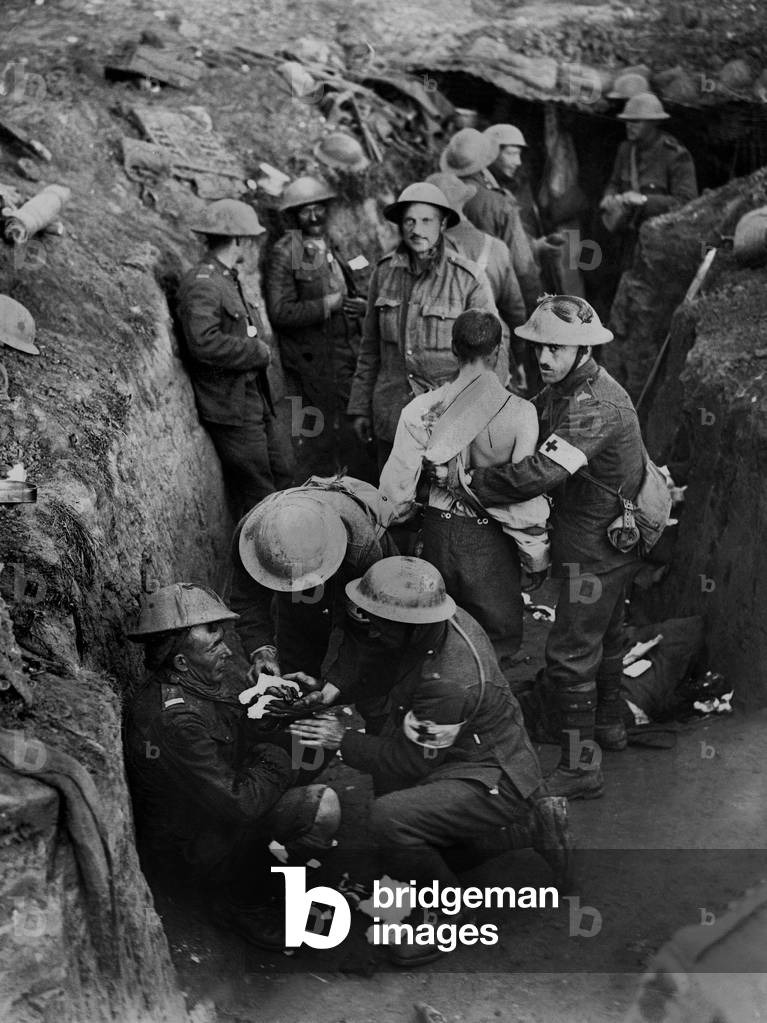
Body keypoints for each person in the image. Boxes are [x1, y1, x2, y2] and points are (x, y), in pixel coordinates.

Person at [288, 556, 572, 967]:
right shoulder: (425, 624)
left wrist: (340, 739)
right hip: (459, 748)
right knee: (408, 845)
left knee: (389, 818)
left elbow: (409, 763)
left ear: (409, 625)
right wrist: (330, 690)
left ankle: (453, 916)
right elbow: (382, 666)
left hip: (492, 772)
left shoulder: (449, 678)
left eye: (378, 620)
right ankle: (524, 829)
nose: (370, 626)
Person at [454, 295, 646, 800]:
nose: (544, 357)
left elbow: (542, 472)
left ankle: (582, 768)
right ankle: (608, 726)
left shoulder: (594, 406)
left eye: (557, 348)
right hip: (602, 538)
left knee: (569, 652)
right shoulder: (563, 389)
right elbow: (525, 413)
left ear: (583, 351)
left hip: (599, 548)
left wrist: (473, 481)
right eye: (539, 345)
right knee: (609, 633)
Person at [124, 583, 340, 949]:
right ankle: (241, 901)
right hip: (195, 852)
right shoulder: (175, 722)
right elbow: (242, 803)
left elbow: (235, 738)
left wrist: (279, 707)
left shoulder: (196, 682)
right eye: (214, 645)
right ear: (180, 662)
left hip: (214, 816)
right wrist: (283, 750)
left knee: (314, 745)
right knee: (323, 806)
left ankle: (263, 872)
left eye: (223, 639)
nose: (227, 651)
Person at [379, 309, 549, 672]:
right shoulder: (521, 413)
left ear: (453, 349)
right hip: (492, 545)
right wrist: (535, 554)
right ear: (497, 351)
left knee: (435, 637)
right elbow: (522, 495)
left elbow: (394, 498)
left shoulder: (420, 410)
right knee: (496, 645)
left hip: (438, 534)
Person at [346, 181, 497, 469]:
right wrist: (360, 408)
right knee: (391, 504)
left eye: (427, 221)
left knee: (444, 507)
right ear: (400, 227)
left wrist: (484, 417)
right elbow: (370, 349)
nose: (417, 229)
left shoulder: (468, 279)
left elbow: (491, 355)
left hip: (448, 419)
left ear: (442, 225)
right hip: (392, 416)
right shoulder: (383, 273)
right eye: (409, 221)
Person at [177, 199, 295, 517]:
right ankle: (264, 560)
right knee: (259, 493)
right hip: (231, 409)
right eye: (251, 239)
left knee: (284, 472)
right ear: (239, 240)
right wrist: (255, 352)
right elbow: (203, 343)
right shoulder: (204, 284)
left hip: (255, 398)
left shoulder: (226, 278)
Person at [228, 476, 397, 681]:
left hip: (357, 541)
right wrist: (261, 650)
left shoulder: (362, 546)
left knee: (379, 630)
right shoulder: (249, 535)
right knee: (304, 612)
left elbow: (366, 628)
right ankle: (297, 683)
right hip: (311, 549)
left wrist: (338, 684)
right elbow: (247, 599)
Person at [265, 176, 373, 481]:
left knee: (360, 421)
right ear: (292, 217)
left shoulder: (336, 241)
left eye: (318, 209)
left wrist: (361, 303)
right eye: (304, 211)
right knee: (331, 432)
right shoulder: (288, 252)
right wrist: (327, 304)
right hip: (317, 362)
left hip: (350, 350)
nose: (313, 217)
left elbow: (363, 277)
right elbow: (280, 311)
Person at [425, 171, 525, 384]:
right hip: (490, 360)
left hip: (443, 367)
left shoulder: (427, 254)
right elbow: (515, 312)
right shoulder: (497, 249)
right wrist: (518, 362)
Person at [439, 128, 542, 314]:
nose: (517, 161)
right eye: (511, 153)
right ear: (488, 158)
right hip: (490, 304)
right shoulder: (498, 204)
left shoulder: (437, 193)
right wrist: (537, 310)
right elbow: (523, 267)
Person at [599, 93, 698, 268]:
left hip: (662, 243)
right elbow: (614, 183)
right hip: (629, 240)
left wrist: (644, 200)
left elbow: (687, 202)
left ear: (654, 123)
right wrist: (609, 196)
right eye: (627, 121)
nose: (629, 126)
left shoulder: (674, 155)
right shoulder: (625, 150)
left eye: (636, 121)